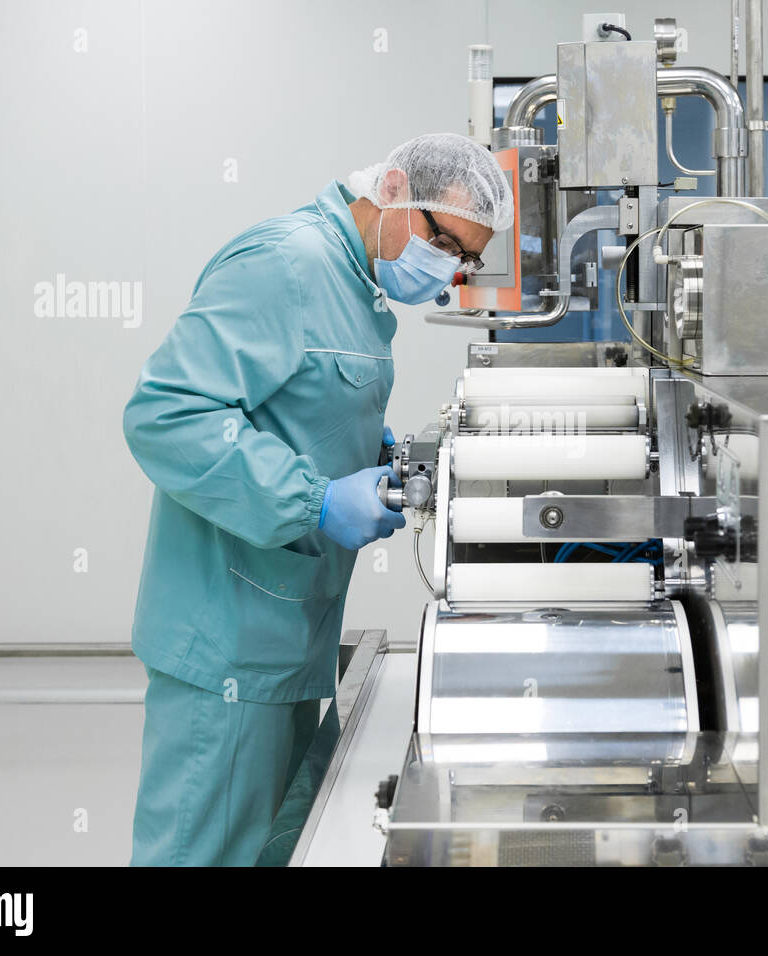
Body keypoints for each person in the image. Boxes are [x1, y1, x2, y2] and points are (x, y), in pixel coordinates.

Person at [122, 132, 513, 866]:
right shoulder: (287, 264)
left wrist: (370, 453)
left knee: (279, 845)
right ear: (393, 188)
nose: (446, 273)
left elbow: (293, 408)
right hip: (227, 642)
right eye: (444, 242)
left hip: (287, 633)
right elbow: (166, 417)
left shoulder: (353, 288)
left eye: (465, 259)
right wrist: (316, 500)